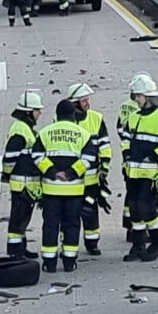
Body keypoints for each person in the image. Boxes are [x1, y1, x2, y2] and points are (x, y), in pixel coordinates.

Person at [31, 100, 97, 272]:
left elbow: (37, 156)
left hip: (51, 189)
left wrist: (53, 172)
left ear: (57, 115)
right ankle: (69, 262)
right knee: (72, 225)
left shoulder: (45, 133)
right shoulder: (82, 133)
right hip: (74, 190)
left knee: (51, 225)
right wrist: (71, 173)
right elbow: (89, 159)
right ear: (73, 115)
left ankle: (49, 263)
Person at [121, 75, 158, 262]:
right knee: (135, 210)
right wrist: (127, 155)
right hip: (133, 173)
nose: (136, 99)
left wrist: (154, 156)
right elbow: (125, 138)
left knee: (147, 209)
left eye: (138, 96)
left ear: (148, 96)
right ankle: (138, 245)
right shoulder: (134, 117)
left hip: (152, 174)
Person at [65, 83, 113, 255]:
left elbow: (105, 146)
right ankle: (68, 244)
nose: (87, 103)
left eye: (87, 99)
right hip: (71, 180)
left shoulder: (96, 119)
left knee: (90, 212)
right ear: (74, 103)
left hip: (91, 179)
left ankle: (92, 243)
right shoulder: (63, 120)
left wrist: (104, 168)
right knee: (69, 213)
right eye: (83, 100)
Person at [1, 90, 43, 258]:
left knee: (23, 219)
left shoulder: (25, 129)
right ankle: (15, 253)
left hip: (28, 184)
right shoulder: (20, 131)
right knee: (18, 220)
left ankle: (21, 249)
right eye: (37, 110)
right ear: (28, 112)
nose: (39, 113)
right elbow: (9, 157)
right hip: (22, 184)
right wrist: (6, 173)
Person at [116, 96, 140, 232]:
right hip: (138, 162)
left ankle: (127, 222)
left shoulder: (124, 105)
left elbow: (119, 127)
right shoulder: (138, 111)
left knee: (130, 193)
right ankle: (133, 226)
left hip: (128, 158)